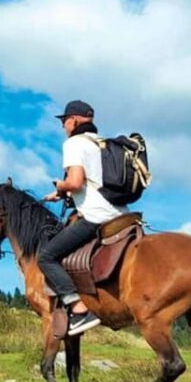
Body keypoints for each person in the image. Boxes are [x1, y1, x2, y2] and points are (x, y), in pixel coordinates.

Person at [41, 100, 128, 335]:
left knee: (47, 256)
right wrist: (61, 194)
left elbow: (76, 182)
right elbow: (94, 182)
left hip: (95, 216)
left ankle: (79, 309)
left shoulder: (74, 143)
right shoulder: (102, 143)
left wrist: (61, 185)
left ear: (74, 120)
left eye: (64, 121)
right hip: (122, 214)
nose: (63, 126)